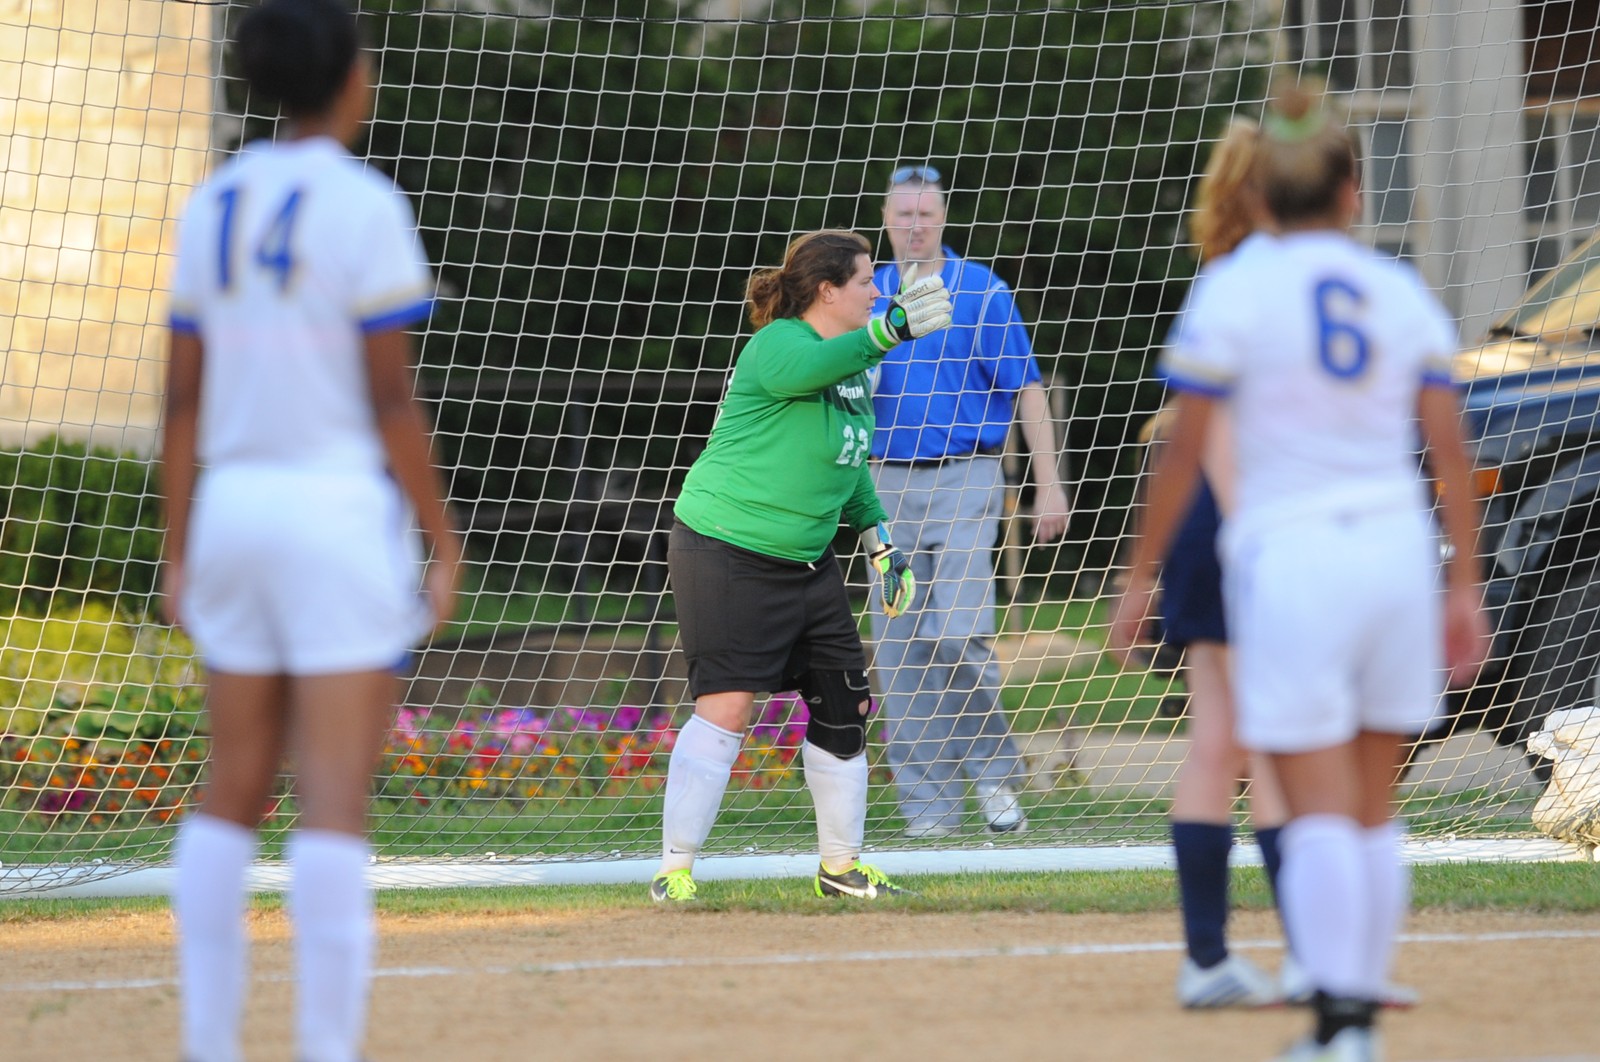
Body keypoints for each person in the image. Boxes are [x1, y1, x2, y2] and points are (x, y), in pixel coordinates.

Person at [1108, 81, 1488, 1062]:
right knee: (1369, 808)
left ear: (1263, 196)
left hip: (1295, 562)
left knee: (1304, 799)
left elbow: (1185, 451)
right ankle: (1351, 1009)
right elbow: (1449, 458)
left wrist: (1138, 573)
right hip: (1397, 554)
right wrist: (1463, 587)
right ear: (1352, 193)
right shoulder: (1400, 290)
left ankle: (1338, 1031)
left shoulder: (1233, 288)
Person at [161, 2, 460, 1060]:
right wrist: (442, 535)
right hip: (333, 509)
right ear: (346, 77)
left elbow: (180, 401)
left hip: (234, 505)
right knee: (332, 800)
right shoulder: (363, 203)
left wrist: (178, 547)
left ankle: (210, 1044)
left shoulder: (213, 203)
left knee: (230, 789)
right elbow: (389, 399)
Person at [651, 229, 954, 903]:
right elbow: (801, 373)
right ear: (828, 290)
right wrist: (892, 330)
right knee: (728, 708)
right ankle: (674, 871)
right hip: (726, 547)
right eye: (867, 282)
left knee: (846, 704)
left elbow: (849, 464)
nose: (878, 292)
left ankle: (840, 868)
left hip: (808, 560)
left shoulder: (853, 368)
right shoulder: (779, 344)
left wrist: (880, 544)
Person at [868, 164, 1071, 839]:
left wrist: (1050, 484)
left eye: (927, 214)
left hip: (966, 478)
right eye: (904, 216)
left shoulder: (980, 290)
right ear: (889, 219)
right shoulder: (861, 295)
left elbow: (1028, 389)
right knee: (899, 652)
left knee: (959, 633)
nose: (916, 226)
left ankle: (992, 778)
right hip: (884, 489)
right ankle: (929, 816)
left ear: (944, 218)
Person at [1152, 120, 1291, 1009]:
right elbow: (1219, 427)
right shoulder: (1268, 280)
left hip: (1213, 524)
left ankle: (1208, 960)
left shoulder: (1220, 276)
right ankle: (1311, 955)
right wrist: (1259, 535)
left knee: (1226, 741)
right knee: (1269, 747)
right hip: (1249, 523)